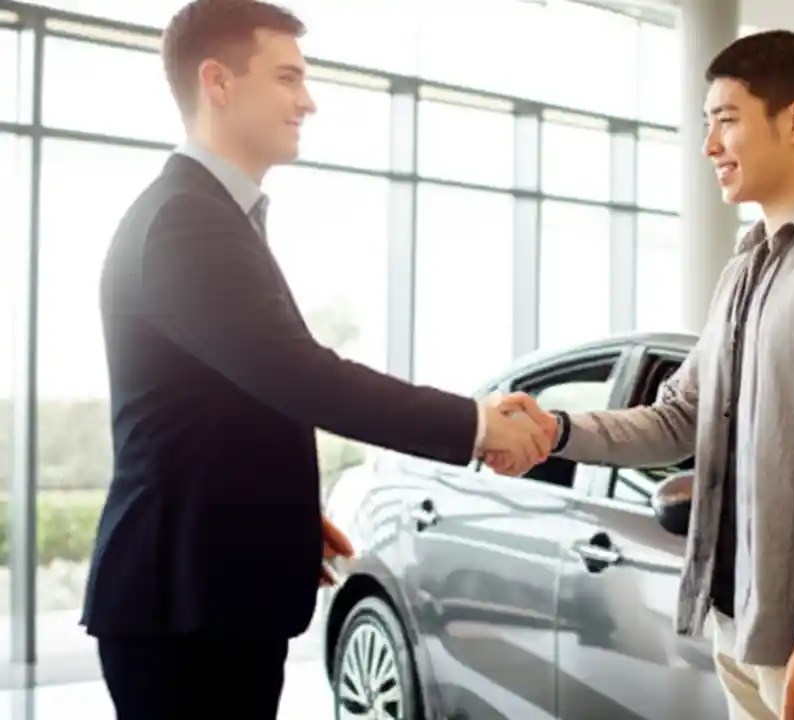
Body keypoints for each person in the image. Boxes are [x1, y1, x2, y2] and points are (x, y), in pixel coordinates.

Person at [82, 1, 548, 717]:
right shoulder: (187, 222)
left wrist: (287, 509)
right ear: (219, 81)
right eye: (288, 77)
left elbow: (228, 400)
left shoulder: (206, 214)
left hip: (205, 588)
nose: (309, 100)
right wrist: (477, 424)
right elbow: (303, 376)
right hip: (182, 603)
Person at [488, 30, 794, 720]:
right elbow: (677, 417)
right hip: (743, 626)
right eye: (706, 124)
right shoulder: (745, 268)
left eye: (726, 119)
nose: (709, 146)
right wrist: (558, 428)